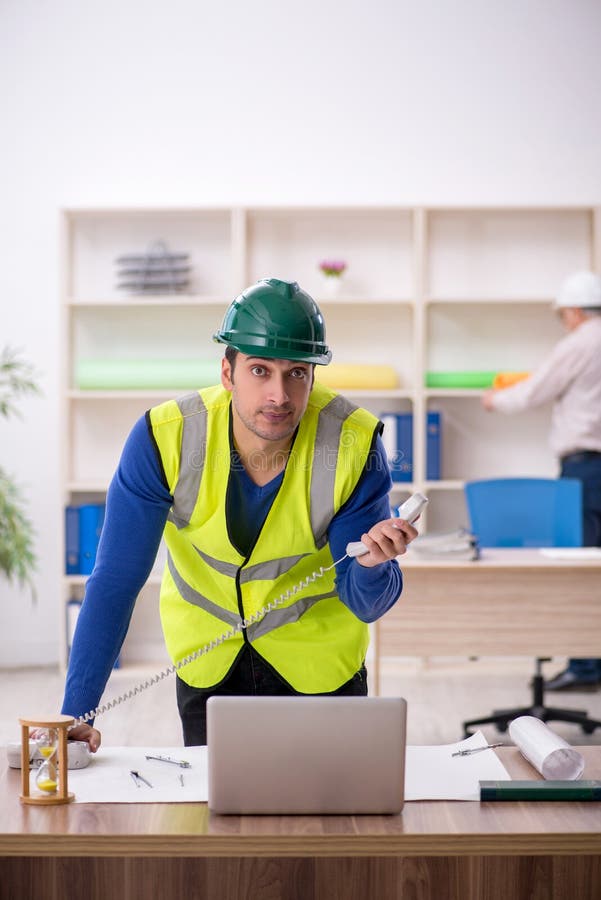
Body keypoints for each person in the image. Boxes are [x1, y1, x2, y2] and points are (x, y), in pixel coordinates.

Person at [62, 278, 418, 749]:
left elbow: (366, 602)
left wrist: (375, 565)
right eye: (259, 371)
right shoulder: (164, 438)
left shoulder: (354, 442)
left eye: (297, 373)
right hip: (208, 667)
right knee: (217, 815)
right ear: (227, 372)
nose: (279, 395)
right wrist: (75, 712)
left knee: (333, 818)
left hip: (321, 669)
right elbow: (115, 581)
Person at [482, 269, 601, 691]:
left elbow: (536, 390)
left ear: (572, 311)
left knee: (582, 564)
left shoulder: (582, 342)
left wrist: (496, 400)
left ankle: (588, 667)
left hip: (588, 468)